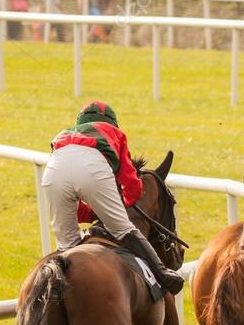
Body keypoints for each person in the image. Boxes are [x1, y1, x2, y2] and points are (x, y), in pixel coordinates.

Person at [42, 100, 185, 294]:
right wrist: (125, 202)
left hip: (52, 172)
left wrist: (96, 210)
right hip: (92, 168)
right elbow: (131, 181)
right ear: (112, 123)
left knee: (67, 246)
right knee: (123, 228)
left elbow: (75, 209)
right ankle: (163, 274)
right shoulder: (115, 133)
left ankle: (58, 292)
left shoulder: (65, 134)